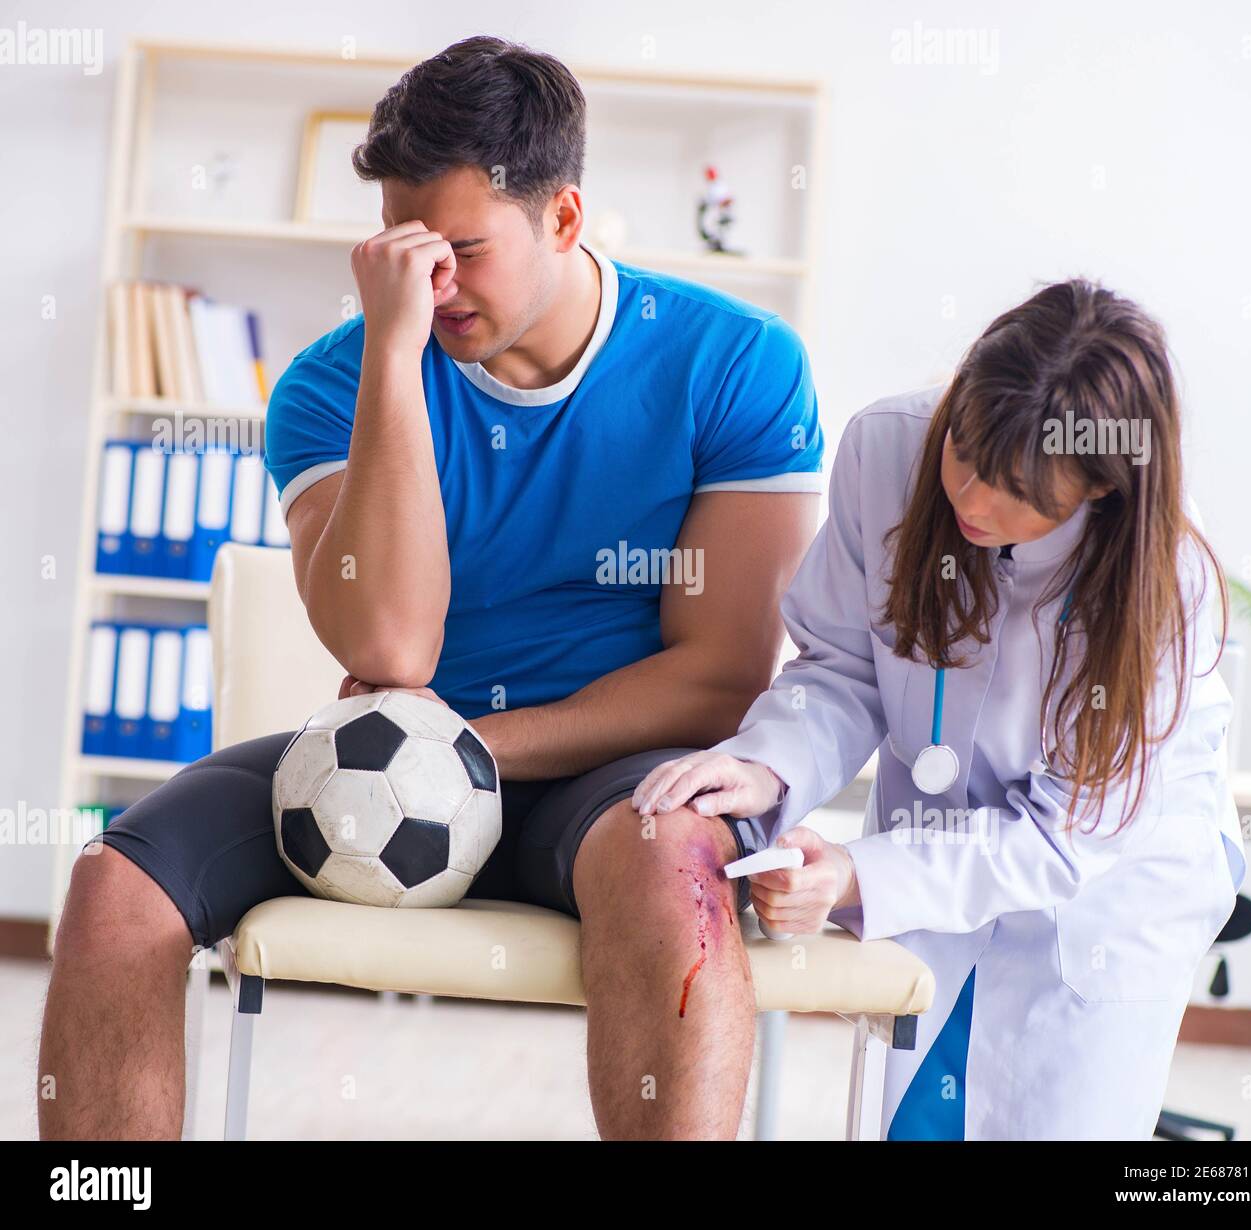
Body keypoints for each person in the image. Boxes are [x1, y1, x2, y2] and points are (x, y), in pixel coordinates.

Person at [40, 36, 822, 1141]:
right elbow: (394, 648)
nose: (436, 283)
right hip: (381, 762)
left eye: (464, 247)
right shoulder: (331, 382)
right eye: (410, 251)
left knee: (671, 866)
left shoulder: (735, 362)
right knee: (114, 889)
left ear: (562, 217)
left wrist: (469, 754)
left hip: (598, 774)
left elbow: (725, 675)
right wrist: (395, 361)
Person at [633, 280, 1246, 1140]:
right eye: (966, 452)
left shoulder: (1164, 580)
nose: (973, 501)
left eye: (1020, 494)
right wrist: (764, 764)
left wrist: (858, 874)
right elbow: (843, 666)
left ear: (1101, 489)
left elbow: (1059, 838)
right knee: (918, 1116)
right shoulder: (887, 448)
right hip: (934, 848)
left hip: (1106, 892)